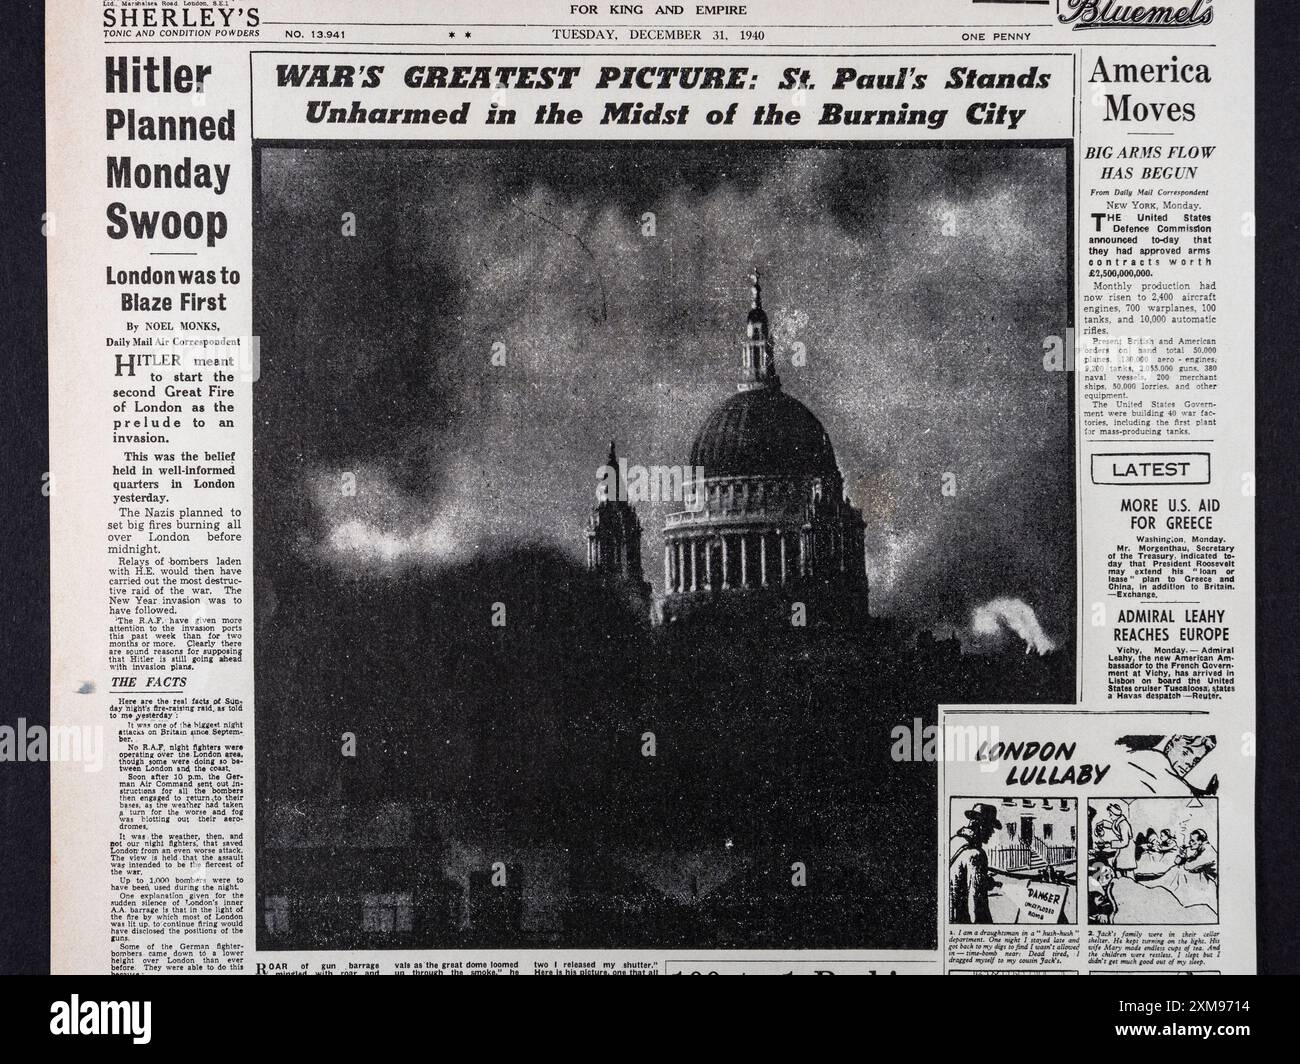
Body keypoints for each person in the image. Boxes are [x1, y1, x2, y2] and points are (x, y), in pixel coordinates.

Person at [949, 803, 1000, 924]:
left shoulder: (953, 842)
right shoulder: (975, 854)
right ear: (981, 825)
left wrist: (984, 881)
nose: (992, 832)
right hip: (962, 922)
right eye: (990, 826)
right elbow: (976, 905)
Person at [1106, 802, 1137, 878]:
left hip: (1127, 847)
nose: (1109, 816)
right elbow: (1112, 826)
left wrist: (1110, 844)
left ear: (1115, 814)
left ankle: (1131, 886)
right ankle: (1120, 884)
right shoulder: (1118, 822)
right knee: (1118, 866)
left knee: (1128, 869)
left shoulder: (1123, 824)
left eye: (1110, 814)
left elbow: (1125, 842)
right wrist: (1102, 823)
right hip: (1122, 847)